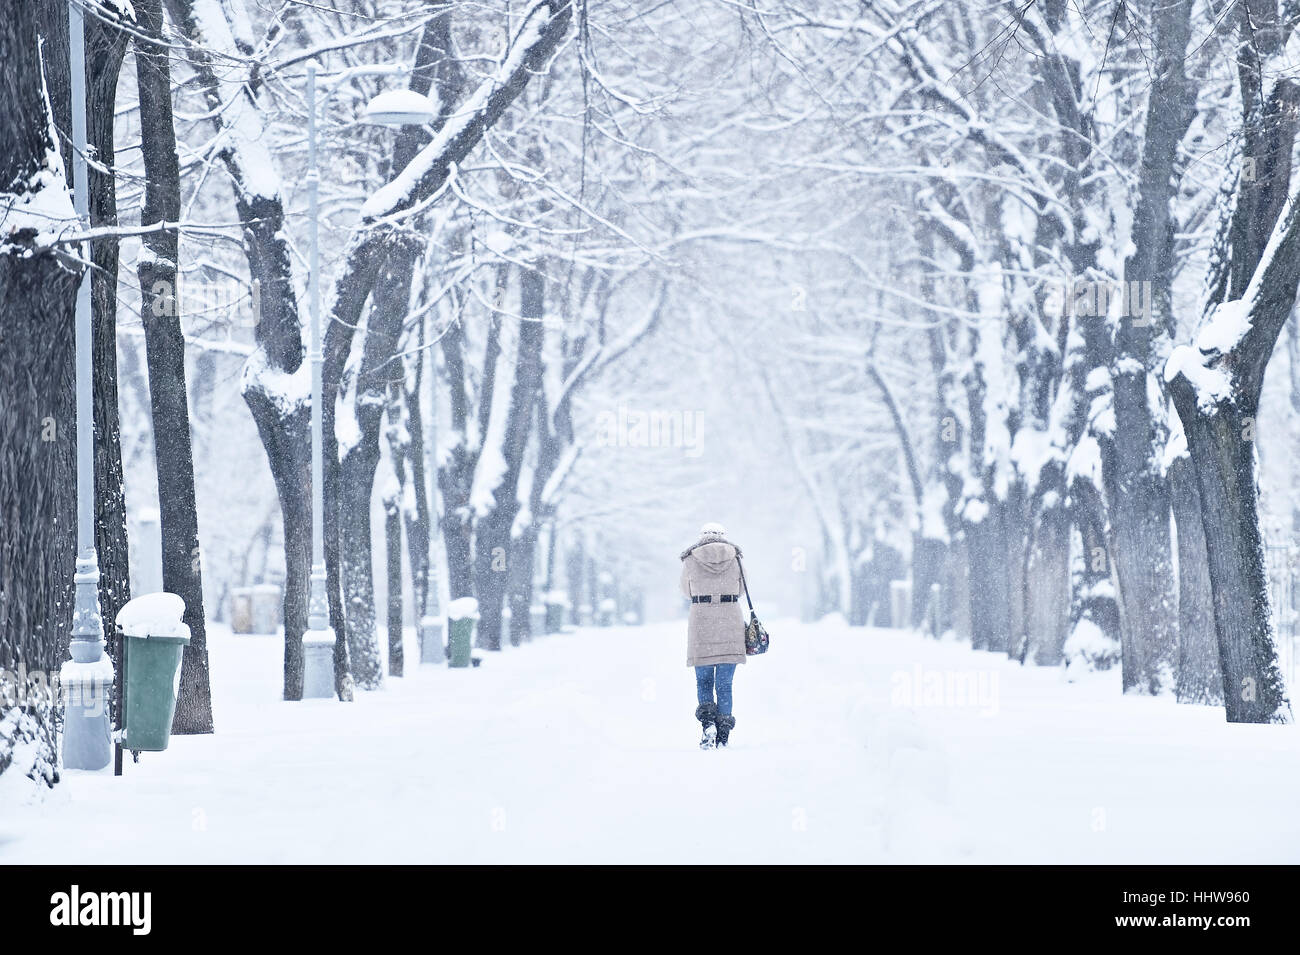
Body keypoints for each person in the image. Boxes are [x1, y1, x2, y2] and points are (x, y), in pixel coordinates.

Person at [679, 522, 745, 749]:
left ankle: (708, 724)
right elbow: (742, 590)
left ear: (701, 537)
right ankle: (724, 733)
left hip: (701, 622)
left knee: (704, 680)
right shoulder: (736, 558)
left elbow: (685, 591)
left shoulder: (690, 559)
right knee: (725, 684)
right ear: (723, 537)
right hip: (730, 621)